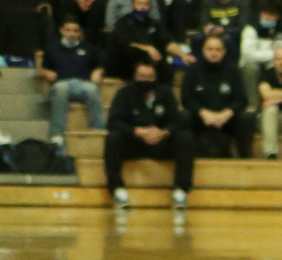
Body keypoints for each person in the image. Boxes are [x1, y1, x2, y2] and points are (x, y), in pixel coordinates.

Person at [104, 59, 193, 208]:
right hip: (135, 143)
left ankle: (180, 192)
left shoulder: (165, 92)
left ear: (155, 77)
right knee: (112, 138)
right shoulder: (124, 93)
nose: (145, 80)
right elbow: (113, 122)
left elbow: (177, 121)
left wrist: (164, 132)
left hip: (161, 143)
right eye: (141, 76)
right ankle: (118, 190)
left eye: (149, 77)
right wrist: (137, 131)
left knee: (185, 137)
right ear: (134, 76)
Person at [36, 16, 103, 165]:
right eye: (68, 30)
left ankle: (98, 131)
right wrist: (46, 73)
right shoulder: (52, 49)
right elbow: (42, 70)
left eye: (75, 30)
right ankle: (57, 135)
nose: (71, 33)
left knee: (93, 90)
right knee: (61, 89)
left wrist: (98, 72)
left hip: (83, 84)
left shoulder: (89, 49)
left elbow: (99, 66)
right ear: (62, 31)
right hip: (62, 83)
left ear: (80, 32)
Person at [184, 33, 250, 158]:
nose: (214, 53)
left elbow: (241, 99)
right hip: (201, 117)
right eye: (210, 49)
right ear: (203, 51)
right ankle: (186, 158)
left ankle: (246, 160)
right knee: (184, 117)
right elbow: (187, 99)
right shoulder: (193, 70)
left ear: (224, 52)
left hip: (226, 118)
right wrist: (203, 113)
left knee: (246, 119)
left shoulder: (233, 70)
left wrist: (226, 114)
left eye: (218, 49)